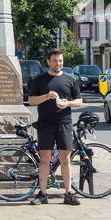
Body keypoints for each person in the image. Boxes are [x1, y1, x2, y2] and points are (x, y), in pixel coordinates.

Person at [28, 47, 83, 206]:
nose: (58, 63)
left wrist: (68, 103)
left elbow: (79, 101)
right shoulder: (40, 79)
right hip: (45, 124)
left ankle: (68, 193)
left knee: (65, 159)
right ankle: (42, 193)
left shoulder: (70, 79)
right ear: (48, 62)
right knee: (44, 159)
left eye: (60, 61)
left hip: (64, 123)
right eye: (55, 61)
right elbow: (31, 100)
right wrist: (46, 96)